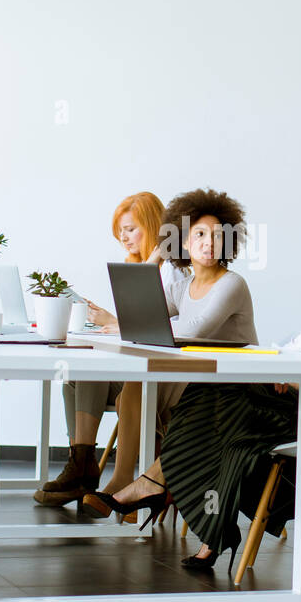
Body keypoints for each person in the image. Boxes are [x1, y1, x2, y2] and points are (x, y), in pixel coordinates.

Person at [95, 212, 301, 568]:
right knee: (223, 408)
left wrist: (282, 362)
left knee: (222, 401)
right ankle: (184, 508)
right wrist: (283, 363)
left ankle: (157, 486)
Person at [82, 188, 258, 516]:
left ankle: (138, 486)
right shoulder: (181, 287)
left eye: (218, 236)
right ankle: (124, 481)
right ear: (184, 241)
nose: (209, 243)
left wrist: (145, 325)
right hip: (195, 380)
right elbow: (139, 314)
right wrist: (158, 255)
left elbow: (195, 330)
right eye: (199, 235)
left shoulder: (232, 284)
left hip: (232, 387)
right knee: (132, 388)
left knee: (138, 390)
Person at [34, 192, 170, 507]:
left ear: (152, 228)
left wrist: (113, 320)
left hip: (160, 377)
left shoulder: (171, 268)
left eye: (131, 229)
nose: (123, 237)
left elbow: (158, 328)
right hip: (138, 371)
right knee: (78, 374)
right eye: (120, 231)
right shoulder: (135, 267)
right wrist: (112, 322)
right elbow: (141, 325)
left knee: (93, 370)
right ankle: (81, 464)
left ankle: (83, 471)